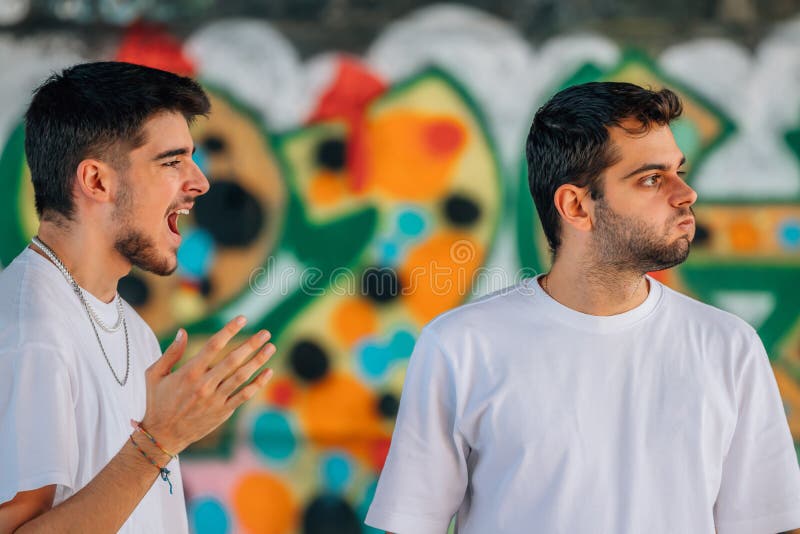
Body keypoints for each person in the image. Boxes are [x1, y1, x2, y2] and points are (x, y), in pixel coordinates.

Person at [365, 82, 800, 534]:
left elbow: (769, 526)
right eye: (652, 178)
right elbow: (411, 524)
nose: (685, 193)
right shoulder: (461, 347)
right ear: (575, 206)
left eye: (679, 171)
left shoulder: (729, 347)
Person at [0, 62, 277, 532]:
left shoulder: (133, 330)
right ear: (97, 182)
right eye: (171, 162)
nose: (200, 182)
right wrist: (158, 440)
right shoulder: (30, 333)